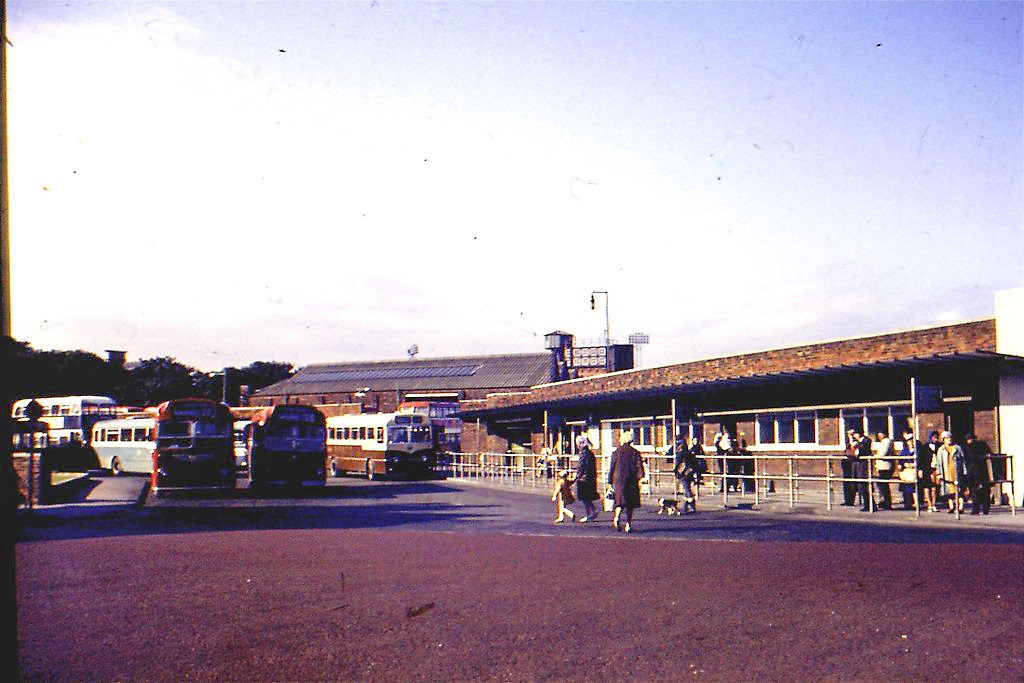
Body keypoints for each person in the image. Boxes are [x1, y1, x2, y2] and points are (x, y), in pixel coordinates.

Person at [608, 431, 644, 532]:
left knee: (619, 501)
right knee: (630, 503)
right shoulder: (635, 452)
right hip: (631, 479)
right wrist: (641, 477)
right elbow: (639, 466)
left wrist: (610, 481)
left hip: (618, 479)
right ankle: (628, 525)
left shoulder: (616, 452)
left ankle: (617, 517)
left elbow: (612, 467)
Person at [935, 431, 966, 514]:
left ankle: (960, 507)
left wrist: (964, 471)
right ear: (943, 439)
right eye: (947, 438)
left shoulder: (957, 448)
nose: (949, 439)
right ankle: (951, 506)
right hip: (946, 471)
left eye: (950, 437)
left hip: (956, 471)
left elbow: (963, 460)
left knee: (959, 489)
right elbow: (938, 462)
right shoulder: (941, 449)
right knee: (948, 490)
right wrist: (939, 473)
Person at [964, 433, 992, 515]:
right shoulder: (982, 445)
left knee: (975, 491)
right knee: (985, 491)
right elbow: (989, 454)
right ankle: (985, 509)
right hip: (983, 471)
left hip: (973, 472)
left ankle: (976, 509)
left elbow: (968, 459)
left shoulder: (968, 447)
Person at [673, 437, 702, 513]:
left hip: (683, 474)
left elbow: (677, 465)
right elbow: (695, 464)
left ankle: (692, 505)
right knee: (687, 488)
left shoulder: (680, 454)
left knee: (687, 489)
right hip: (691, 473)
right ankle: (685, 506)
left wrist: (676, 472)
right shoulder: (690, 453)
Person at [574, 436, 599, 522]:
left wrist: (576, 476)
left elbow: (581, 467)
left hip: (584, 479)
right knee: (588, 497)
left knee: (584, 497)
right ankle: (593, 510)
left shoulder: (583, 454)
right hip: (591, 477)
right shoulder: (590, 453)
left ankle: (589, 514)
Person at [851, 428, 874, 511]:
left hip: (863, 465)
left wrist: (857, 444)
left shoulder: (866, 440)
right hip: (857, 464)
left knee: (864, 485)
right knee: (860, 485)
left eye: (855, 434)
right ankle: (868, 504)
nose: (854, 436)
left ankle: (869, 504)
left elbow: (864, 449)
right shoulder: (855, 442)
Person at [873, 431, 894, 510]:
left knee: (883, 484)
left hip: (885, 466)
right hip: (883, 466)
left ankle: (887, 502)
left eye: (880, 434)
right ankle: (884, 501)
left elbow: (883, 453)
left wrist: (875, 456)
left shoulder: (886, 442)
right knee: (881, 484)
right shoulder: (884, 442)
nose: (879, 436)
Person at [841, 428, 858, 506]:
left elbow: (853, 450)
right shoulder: (847, 442)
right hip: (846, 463)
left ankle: (850, 500)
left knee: (852, 482)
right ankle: (847, 499)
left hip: (852, 462)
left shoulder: (856, 442)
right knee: (846, 482)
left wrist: (851, 440)